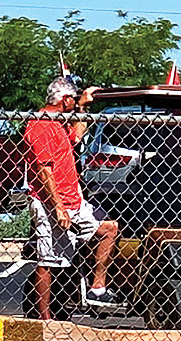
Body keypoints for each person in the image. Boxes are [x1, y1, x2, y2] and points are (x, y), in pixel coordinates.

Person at [23, 76, 118, 319]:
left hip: (74, 199)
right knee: (49, 259)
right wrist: (58, 207)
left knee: (108, 229)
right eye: (73, 99)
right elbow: (44, 170)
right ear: (64, 100)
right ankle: (45, 316)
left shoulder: (59, 122)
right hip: (50, 202)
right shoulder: (41, 124)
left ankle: (97, 287)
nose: (74, 103)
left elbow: (77, 135)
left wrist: (83, 107)